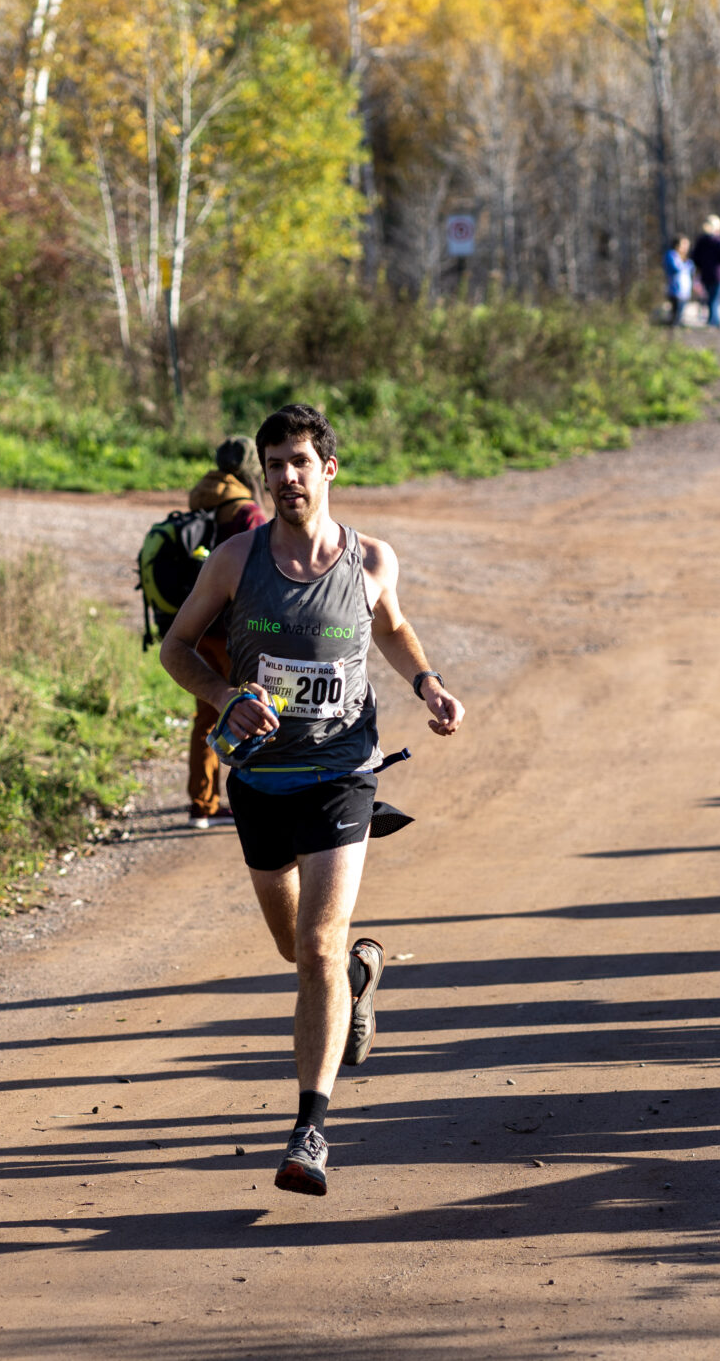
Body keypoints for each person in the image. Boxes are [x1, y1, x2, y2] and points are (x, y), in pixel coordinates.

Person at [158, 403, 466, 1197]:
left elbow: (391, 627)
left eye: (300, 461)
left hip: (342, 773)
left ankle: (310, 1131)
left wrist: (427, 683)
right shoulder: (234, 560)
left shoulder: (368, 559)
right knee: (298, 951)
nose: (287, 477)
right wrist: (227, 697)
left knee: (319, 947)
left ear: (329, 469)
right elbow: (176, 645)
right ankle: (363, 978)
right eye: (274, 464)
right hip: (259, 777)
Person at [184, 436, 269, 830]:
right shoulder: (246, 511)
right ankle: (254, 796)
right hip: (234, 632)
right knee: (245, 710)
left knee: (207, 714)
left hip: (199, 629)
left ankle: (202, 802)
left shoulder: (202, 501)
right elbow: (263, 573)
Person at [689, 216, 720, 329]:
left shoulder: (701, 241)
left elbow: (695, 258)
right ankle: (713, 323)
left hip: (705, 275)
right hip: (719, 276)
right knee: (714, 300)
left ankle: (715, 322)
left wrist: (701, 268)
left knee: (711, 300)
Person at [662, 236, 693, 327]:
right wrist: (688, 265)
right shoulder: (671, 254)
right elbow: (676, 268)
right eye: (684, 244)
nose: (686, 247)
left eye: (687, 245)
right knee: (675, 315)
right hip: (675, 289)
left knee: (679, 315)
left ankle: (675, 333)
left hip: (685, 290)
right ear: (677, 244)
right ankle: (671, 335)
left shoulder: (684, 258)